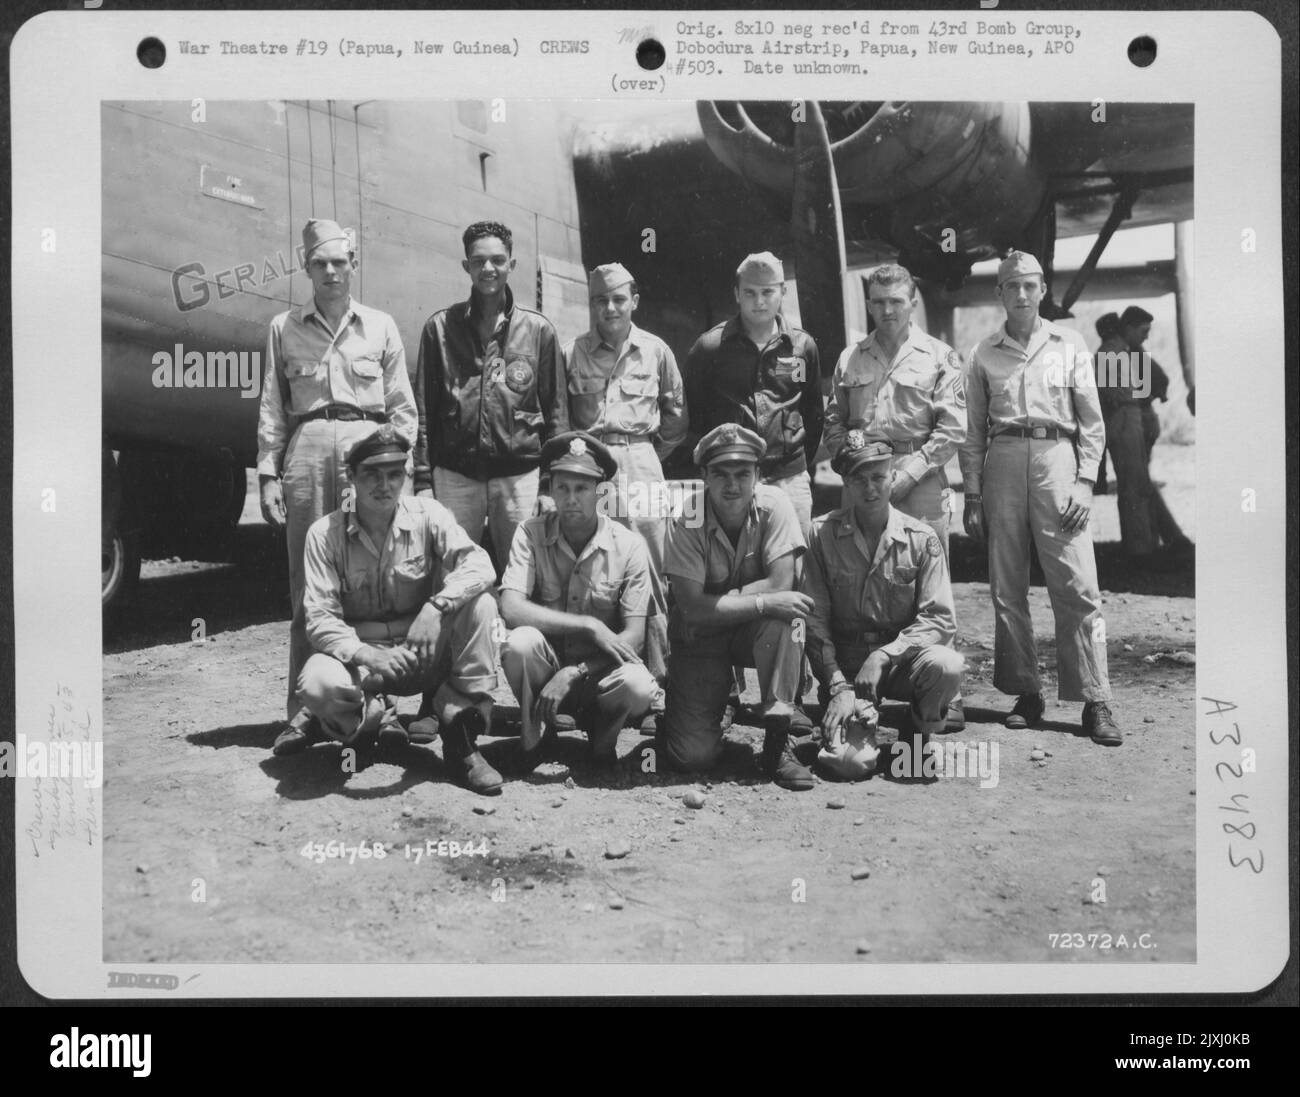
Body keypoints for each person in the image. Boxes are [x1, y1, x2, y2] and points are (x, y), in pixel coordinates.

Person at [257, 218, 418, 728]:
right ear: (306, 268)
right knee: (308, 585)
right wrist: (267, 474)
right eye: (320, 263)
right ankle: (305, 710)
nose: (331, 271)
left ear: (354, 265)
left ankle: (379, 702)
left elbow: (401, 407)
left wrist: (400, 473)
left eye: (339, 262)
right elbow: (273, 407)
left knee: (369, 577)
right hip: (306, 453)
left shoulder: (381, 325)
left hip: (367, 453)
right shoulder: (283, 327)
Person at [283, 426, 504, 795]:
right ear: (350, 477)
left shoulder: (428, 514)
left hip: (422, 650)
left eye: (394, 474)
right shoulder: (325, 534)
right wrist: (368, 655)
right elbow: (319, 618)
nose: (384, 485)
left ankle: (459, 736)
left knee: (481, 604)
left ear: (405, 475)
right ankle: (366, 723)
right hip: (364, 659)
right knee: (318, 684)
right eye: (371, 474)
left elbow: (481, 566)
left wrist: (436, 607)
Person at [959, 251, 1121, 746]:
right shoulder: (983, 352)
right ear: (1000, 294)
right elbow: (972, 432)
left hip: (1058, 459)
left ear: (1043, 289)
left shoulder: (1068, 344)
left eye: (1031, 285)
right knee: (1007, 586)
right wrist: (971, 493)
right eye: (1013, 286)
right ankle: (1025, 691)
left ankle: (1097, 697)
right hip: (1003, 461)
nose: (1023, 294)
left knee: (1078, 583)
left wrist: (1085, 483)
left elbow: (1092, 422)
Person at [822, 262, 968, 729]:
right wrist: (853, 461)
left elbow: (953, 428)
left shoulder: (939, 356)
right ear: (868, 303)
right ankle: (857, 681)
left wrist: (909, 473)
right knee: (858, 575)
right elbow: (833, 423)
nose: (888, 310)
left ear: (912, 302)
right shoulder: (851, 360)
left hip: (918, 479)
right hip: (865, 480)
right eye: (879, 302)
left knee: (930, 584)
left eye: (896, 301)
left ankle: (946, 692)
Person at [660, 424, 815, 789]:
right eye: (721, 474)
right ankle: (709, 701)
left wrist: (723, 601)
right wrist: (760, 600)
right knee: (692, 757)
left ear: (758, 475)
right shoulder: (686, 518)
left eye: (743, 474)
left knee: (788, 620)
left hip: (747, 630)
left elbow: (783, 584)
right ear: (704, 476)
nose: (732, 485)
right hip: (701, 638)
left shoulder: (775, 504)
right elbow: (693, 609)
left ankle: (778, 741)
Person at [412, 220, 568, 570]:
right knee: (452, 573)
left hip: (519, 477)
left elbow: (556, 412)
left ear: (511, 266)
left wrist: (549, 484)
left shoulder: (538, 330)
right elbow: (423, 410)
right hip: (455, 476)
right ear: (466, 266)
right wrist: (422, 481)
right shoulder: (439, 329)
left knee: (525, 575)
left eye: (497, 260)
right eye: (479, 261)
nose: (488, 269)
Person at [803, 431, 964, 768]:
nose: (870, 488)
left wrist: (883, 656)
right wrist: (837, 686)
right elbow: (814, 620)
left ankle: (916, 730)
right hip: (846, 670)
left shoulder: (921, 538)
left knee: (946, 665)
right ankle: (851, 722)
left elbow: (939, 618)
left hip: (898, 664)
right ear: (845, 483)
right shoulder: (821, 535)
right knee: (851, 765)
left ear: (893, 477)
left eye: (878, 477)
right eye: (859, 479)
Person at [499, 432, 658, 767]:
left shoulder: (628, 545)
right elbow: (511, 607)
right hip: (548, 669)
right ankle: (537, 736)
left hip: (599, 675)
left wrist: (577, 671)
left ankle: (603, 739)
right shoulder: (531, 532)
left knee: (639, 684)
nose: (571, 499)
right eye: (563, 488)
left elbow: (635, 637)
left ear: (601, 493)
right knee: (519, 643)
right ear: (550, 490)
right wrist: (588, 624)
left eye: (582, 489)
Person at [562, 262, 684, 690]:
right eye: (600, 300)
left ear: (634, 301)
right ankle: (601, 674)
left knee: (652, 566)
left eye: (618, 299)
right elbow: (563, 416)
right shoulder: (572, 352)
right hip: (593, 465)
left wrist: (646, 455)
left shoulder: (656, 350)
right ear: (591, 303)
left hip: (641, 461)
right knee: (599, 564)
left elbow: (675, 417)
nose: (610, 308)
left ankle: (658, 674)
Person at [681, 251, 823, 537]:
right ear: (736, 294)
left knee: (796, 566)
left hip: (789, 478)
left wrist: (794, 462)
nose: (759, 301)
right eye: (750, 293)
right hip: (732, 479)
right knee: (732, 562)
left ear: (782, 292)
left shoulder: (802, 347)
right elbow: (693, 419)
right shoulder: (710, 348)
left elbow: (813, 413)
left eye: (768, 292)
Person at [1097, 306, 1192, 565]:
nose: (1146, 337)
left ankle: (1146, 544)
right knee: (1133, 486)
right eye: (1143, 331)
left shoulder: (1122, 352)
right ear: (1127, 328)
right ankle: (1140, 549)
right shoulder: (1112, 352)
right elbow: (1111, 394)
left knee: (1136, 484)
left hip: (1128, 416)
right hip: (1124, 417)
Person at [1091, 312, 1124, 495]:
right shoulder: (1113, 351)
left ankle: (1100, 484)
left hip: (1105, 413)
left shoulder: (1104, 352)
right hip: (1114, 413)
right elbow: (1108, 389)